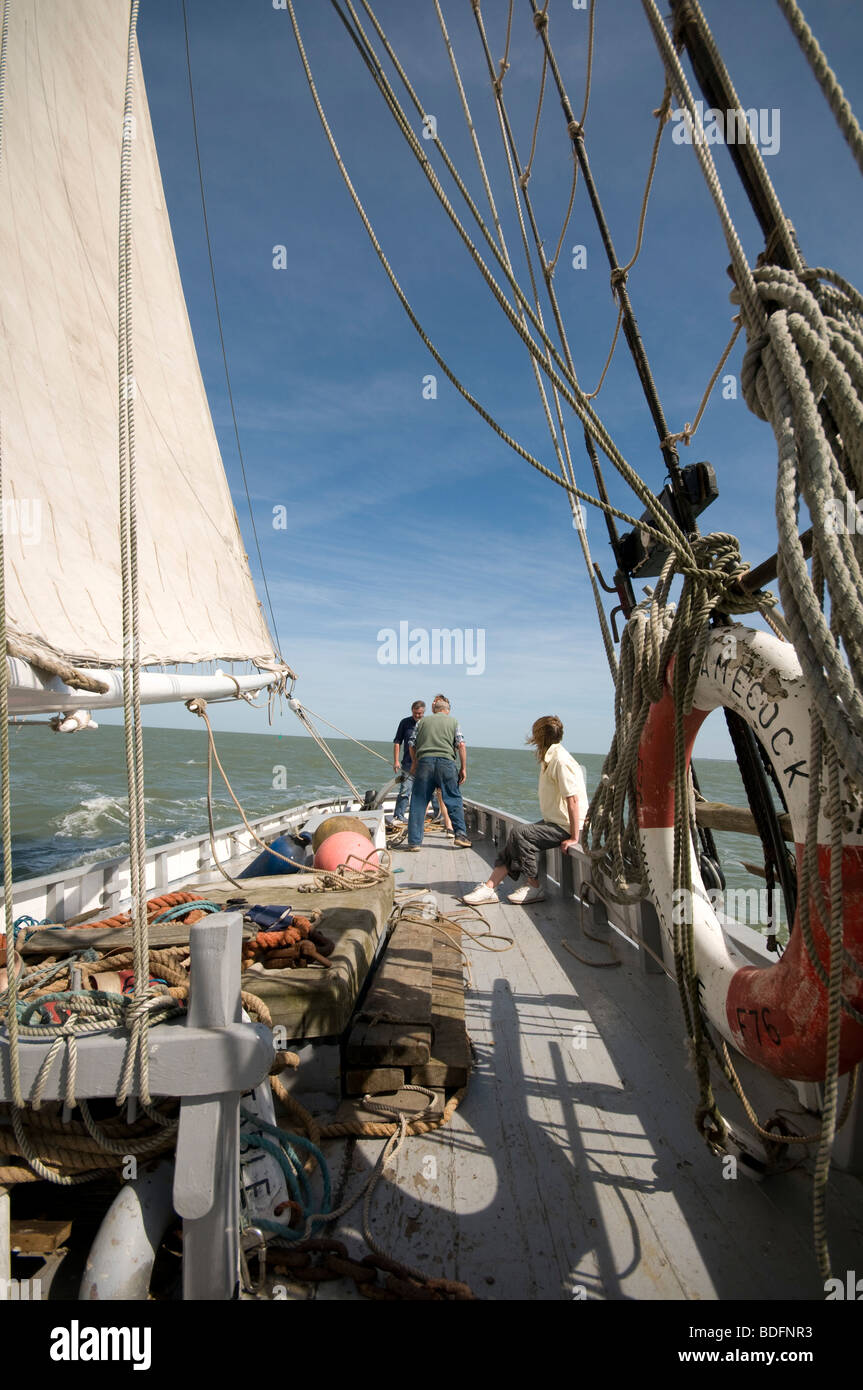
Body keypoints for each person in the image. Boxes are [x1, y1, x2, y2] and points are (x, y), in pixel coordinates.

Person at [462, 715, 586, 905]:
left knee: (522, 833)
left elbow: (574, 800)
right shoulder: (550, 758)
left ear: (539, 736)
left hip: (567, 825)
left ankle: (534, 886)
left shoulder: (560, 761)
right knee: (515, 837)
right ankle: (489, 887)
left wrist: (574, 837)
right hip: (557, 822)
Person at [405, 695, 471, 850]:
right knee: (453, 799)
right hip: (446, 763)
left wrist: (414, 763)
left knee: (419, 801)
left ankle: (414, 842)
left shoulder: (422, 722)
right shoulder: (453, 721)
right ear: (447, 710)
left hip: (424, 763)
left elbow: (411, 744)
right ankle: (460, 835)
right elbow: (461, 745)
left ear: (434, 710)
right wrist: (463, 768)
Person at [391, 700, 425, 822]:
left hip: (425, 765)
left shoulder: (427, 724)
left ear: (424, 712)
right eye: (415, 713)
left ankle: (435, 815)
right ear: (412, 711)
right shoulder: (404, 723)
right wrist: (396, 761)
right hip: (407, 764)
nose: (417, 716)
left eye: (420, 713)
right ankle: (399, 815)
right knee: (405, 791)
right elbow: (397, 742)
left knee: (430, 792)